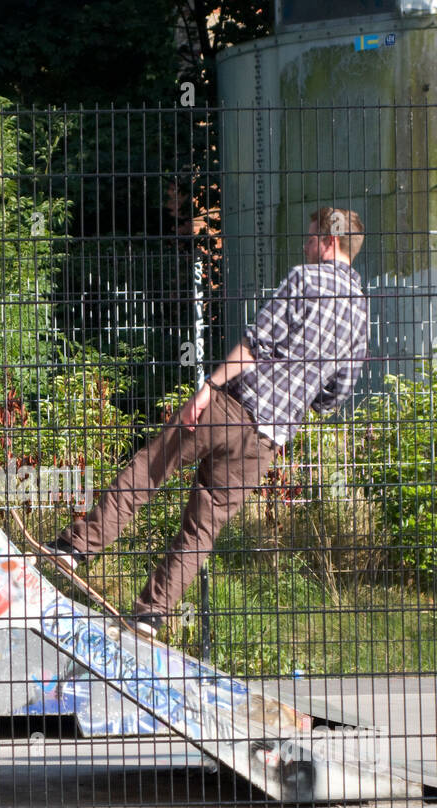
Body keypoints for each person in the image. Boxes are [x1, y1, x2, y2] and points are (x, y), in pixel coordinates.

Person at [47, 206, 369, 637]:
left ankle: (75, 548)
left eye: (310, 237)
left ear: (329, 240)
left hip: (232, 405)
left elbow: (255, 345)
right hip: (265, 442)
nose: (305, 245)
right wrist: (297, 402)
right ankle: (151, 612)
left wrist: (208, 387)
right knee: (203, 527)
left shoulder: (305, 279)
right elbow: (336, 393)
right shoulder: (361, 313)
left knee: (150, 468)